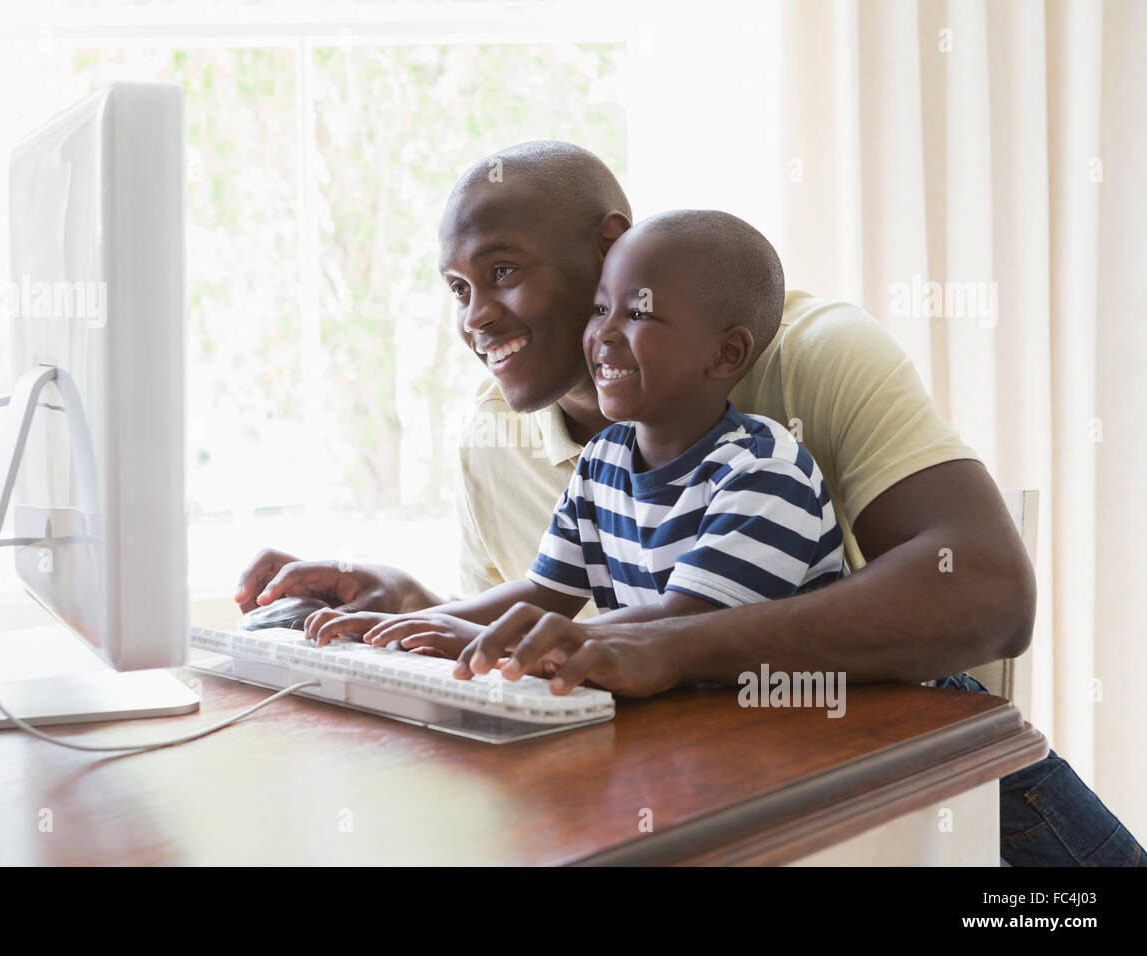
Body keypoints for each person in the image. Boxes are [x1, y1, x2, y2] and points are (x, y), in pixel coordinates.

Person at [235, 141, 1141, 866]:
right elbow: (534, 638)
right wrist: (408, 609)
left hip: (870, 782)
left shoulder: (802, 364)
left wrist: (667, 644)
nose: (475, 317)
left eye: (504, 272)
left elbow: (987, 591)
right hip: (687, 792)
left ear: (607, 249)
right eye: (460, 290)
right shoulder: (494, 435)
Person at [302, 210, 846, 669]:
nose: (603, 334)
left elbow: (684, 622)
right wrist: (403, 627)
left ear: (725, 354)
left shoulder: (764, 476)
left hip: (794, 733)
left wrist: (491, 645)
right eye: (599, 309)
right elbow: (544, 594)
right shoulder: (603, 462)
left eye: (637, 313)